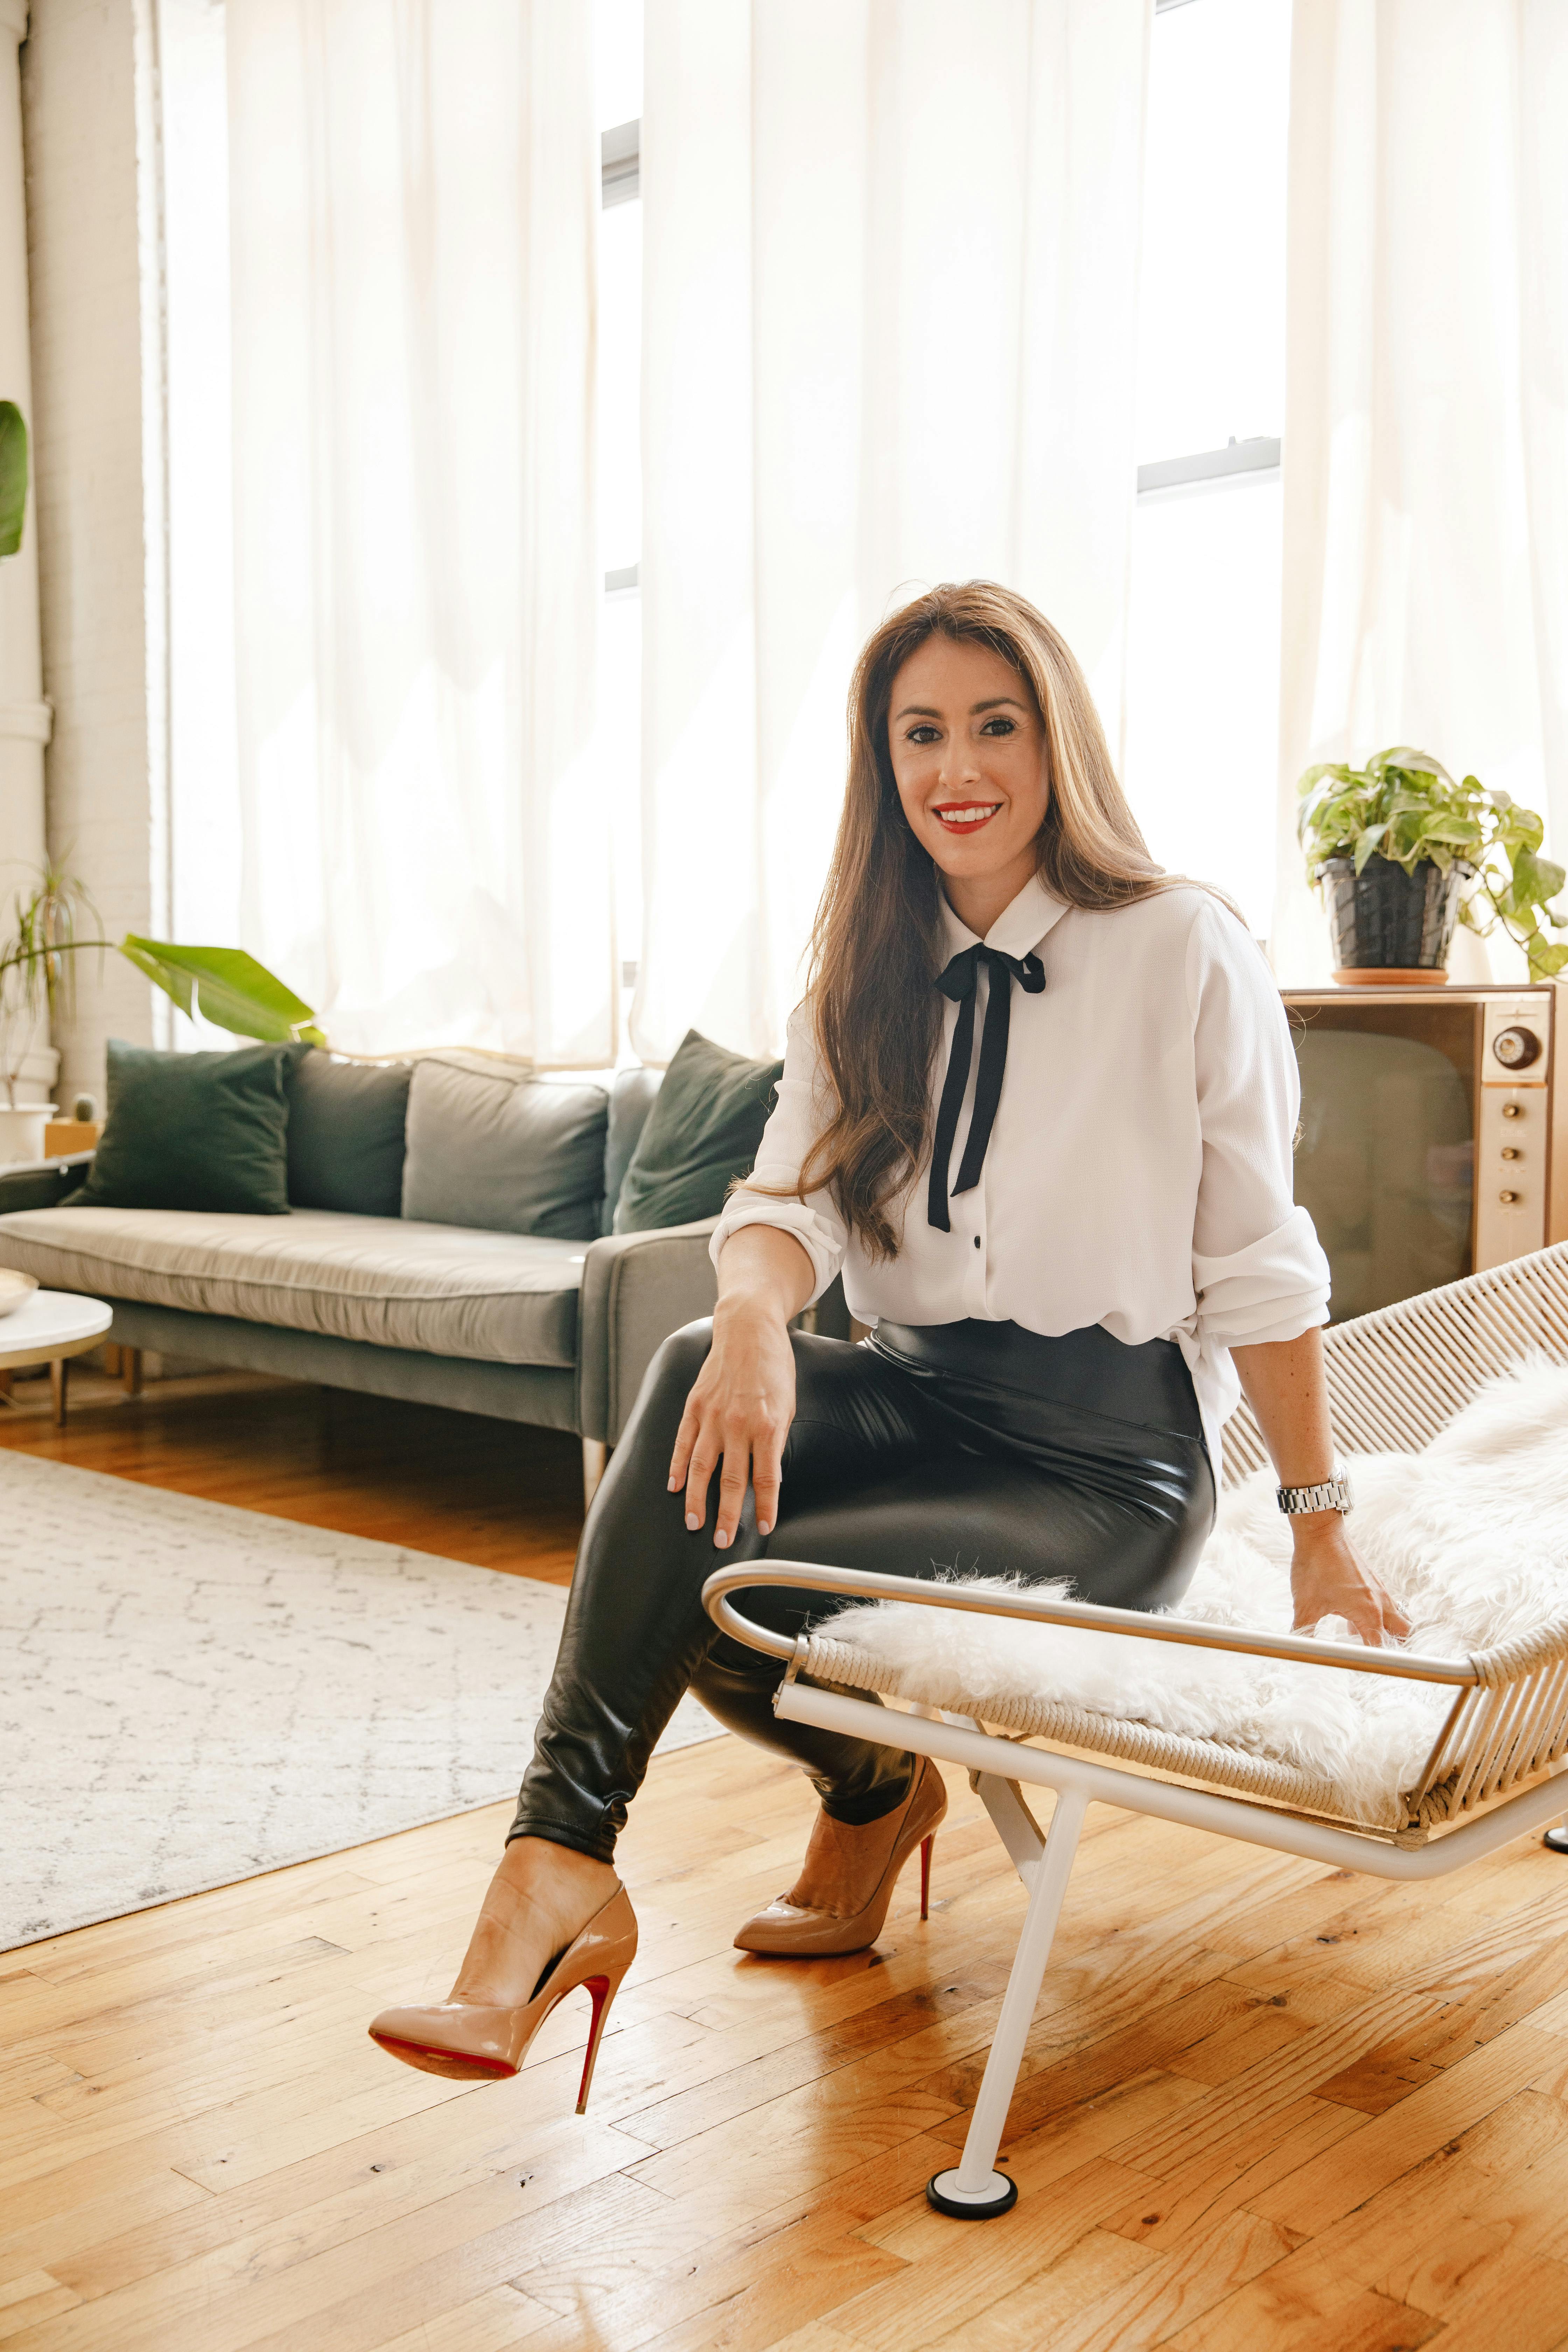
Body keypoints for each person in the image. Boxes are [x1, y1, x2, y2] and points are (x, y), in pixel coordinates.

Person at [368, 580, 1409, 2094]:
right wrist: (749, 1315)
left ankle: (682, 1857)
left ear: (1058, 744)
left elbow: (1256, 1261)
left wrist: (1319, 1524)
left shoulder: (1186, 947)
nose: (956, 768)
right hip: (916, 1389)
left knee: (730, 1574)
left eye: (995, 725)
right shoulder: (861, 967)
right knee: (688, 1404)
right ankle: (614, 1849)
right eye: (919, 733)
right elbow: (782, 1200)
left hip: (1103, 1461)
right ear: (882, 762)